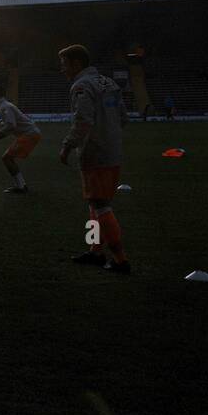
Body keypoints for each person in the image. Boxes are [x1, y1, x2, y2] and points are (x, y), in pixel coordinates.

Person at [58, 45, 130, 273]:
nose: (62, 69)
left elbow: (83, 120)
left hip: (95, 153)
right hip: (112, 150)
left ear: (76, 63)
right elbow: (123, 116)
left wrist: (67, 145)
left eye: (64, 64)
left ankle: (120, 260)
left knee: (100, 205)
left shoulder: (81, 86)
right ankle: (95, 250)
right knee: (95, 202)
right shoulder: (108, 82)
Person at [0, 83, 41, 194]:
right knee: (7, 158)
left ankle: (21, 187)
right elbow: (11, 126)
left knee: (7, 158)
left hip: (29, 134)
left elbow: (11, 126)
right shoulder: (5, 105)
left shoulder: (4, 107)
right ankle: (21, 186)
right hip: (30, 134)